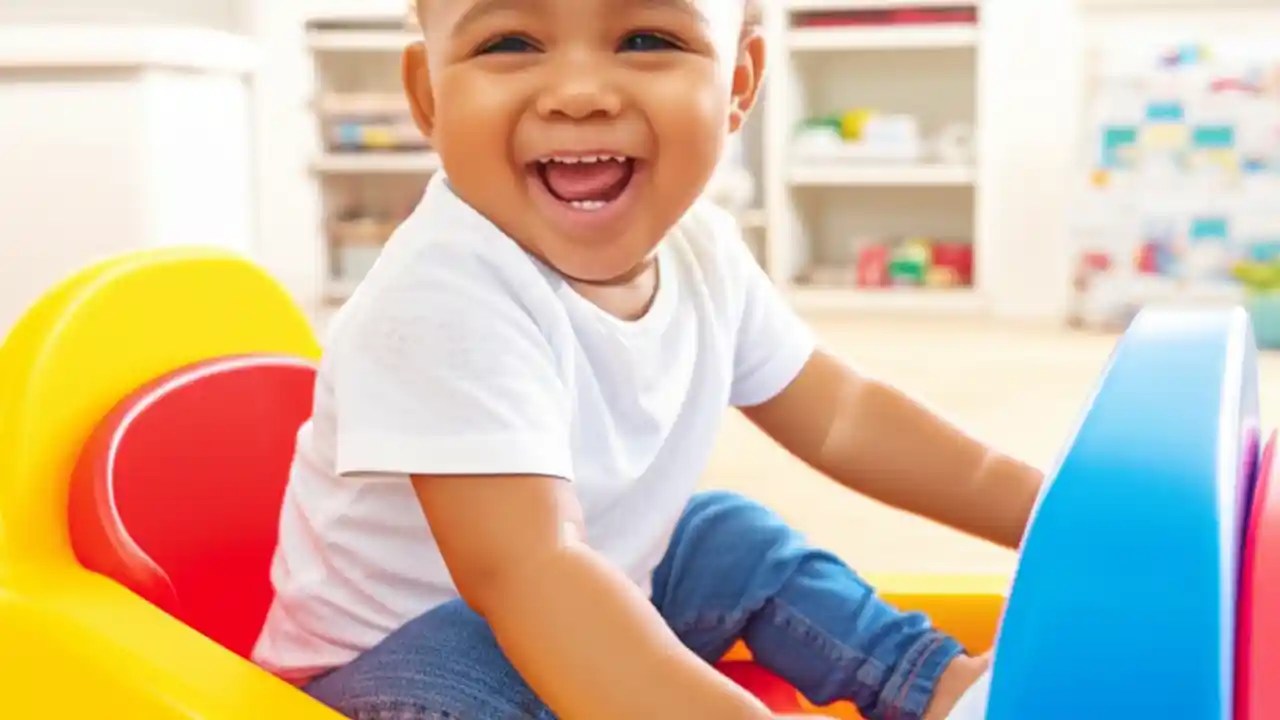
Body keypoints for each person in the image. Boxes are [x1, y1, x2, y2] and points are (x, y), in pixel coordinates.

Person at [252, 0, 1041, 717]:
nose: (578, 92)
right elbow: (526, 572)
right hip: (392, 672)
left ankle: (931, 683)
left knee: (727, 534)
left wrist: (1048, 510)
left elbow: (843, 415)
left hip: (590, 587)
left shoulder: (703, 249)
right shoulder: (440, 292)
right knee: (482, 641)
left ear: (738, 83)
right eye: (511, 42)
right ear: (428, 96)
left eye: (646, 38)